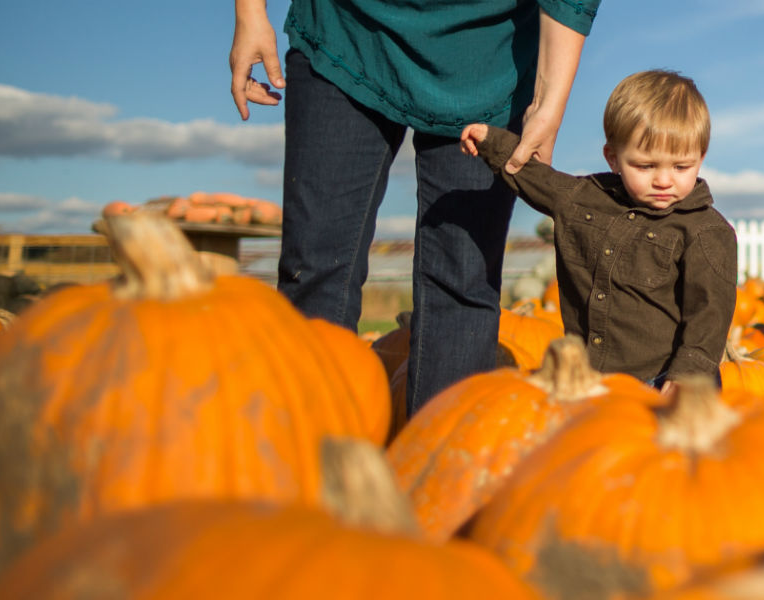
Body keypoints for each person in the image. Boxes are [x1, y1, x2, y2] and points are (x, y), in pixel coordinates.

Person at [228, 0, 599, 414]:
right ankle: (306, 453)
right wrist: (250, 13)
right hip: (348, 31)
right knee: (314, 267)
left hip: (488, 59)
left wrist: (550, 101)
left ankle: (439, 465)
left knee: (463, 284)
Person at [459, 70, 736, 386]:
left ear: (700, 157)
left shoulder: (705, 231)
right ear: (613, 158)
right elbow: (535, 178)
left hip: (662, 380)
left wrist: (688, 374)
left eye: (681, 166)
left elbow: (709, 314)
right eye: (645, 166)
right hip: (586, 378)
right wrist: (491, 142)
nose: (663, 180)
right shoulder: (584, 199)